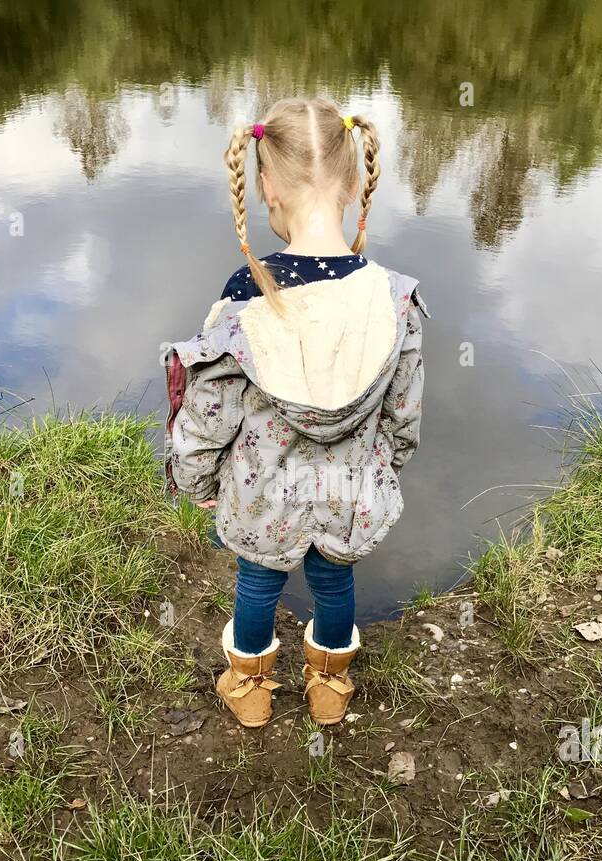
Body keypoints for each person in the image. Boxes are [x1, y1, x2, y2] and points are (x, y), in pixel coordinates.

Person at [165, 97, 428, 729]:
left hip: (265, 493)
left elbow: (209, 409)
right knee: (335, 587)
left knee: (257, 586)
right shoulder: (394, 298)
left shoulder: (244, 293)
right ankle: (329, 689)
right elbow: (403, 413)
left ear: (266, 187)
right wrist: (383, 466)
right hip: (348, 490)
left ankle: (251, 693)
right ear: (354, 180)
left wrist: (199, 480)